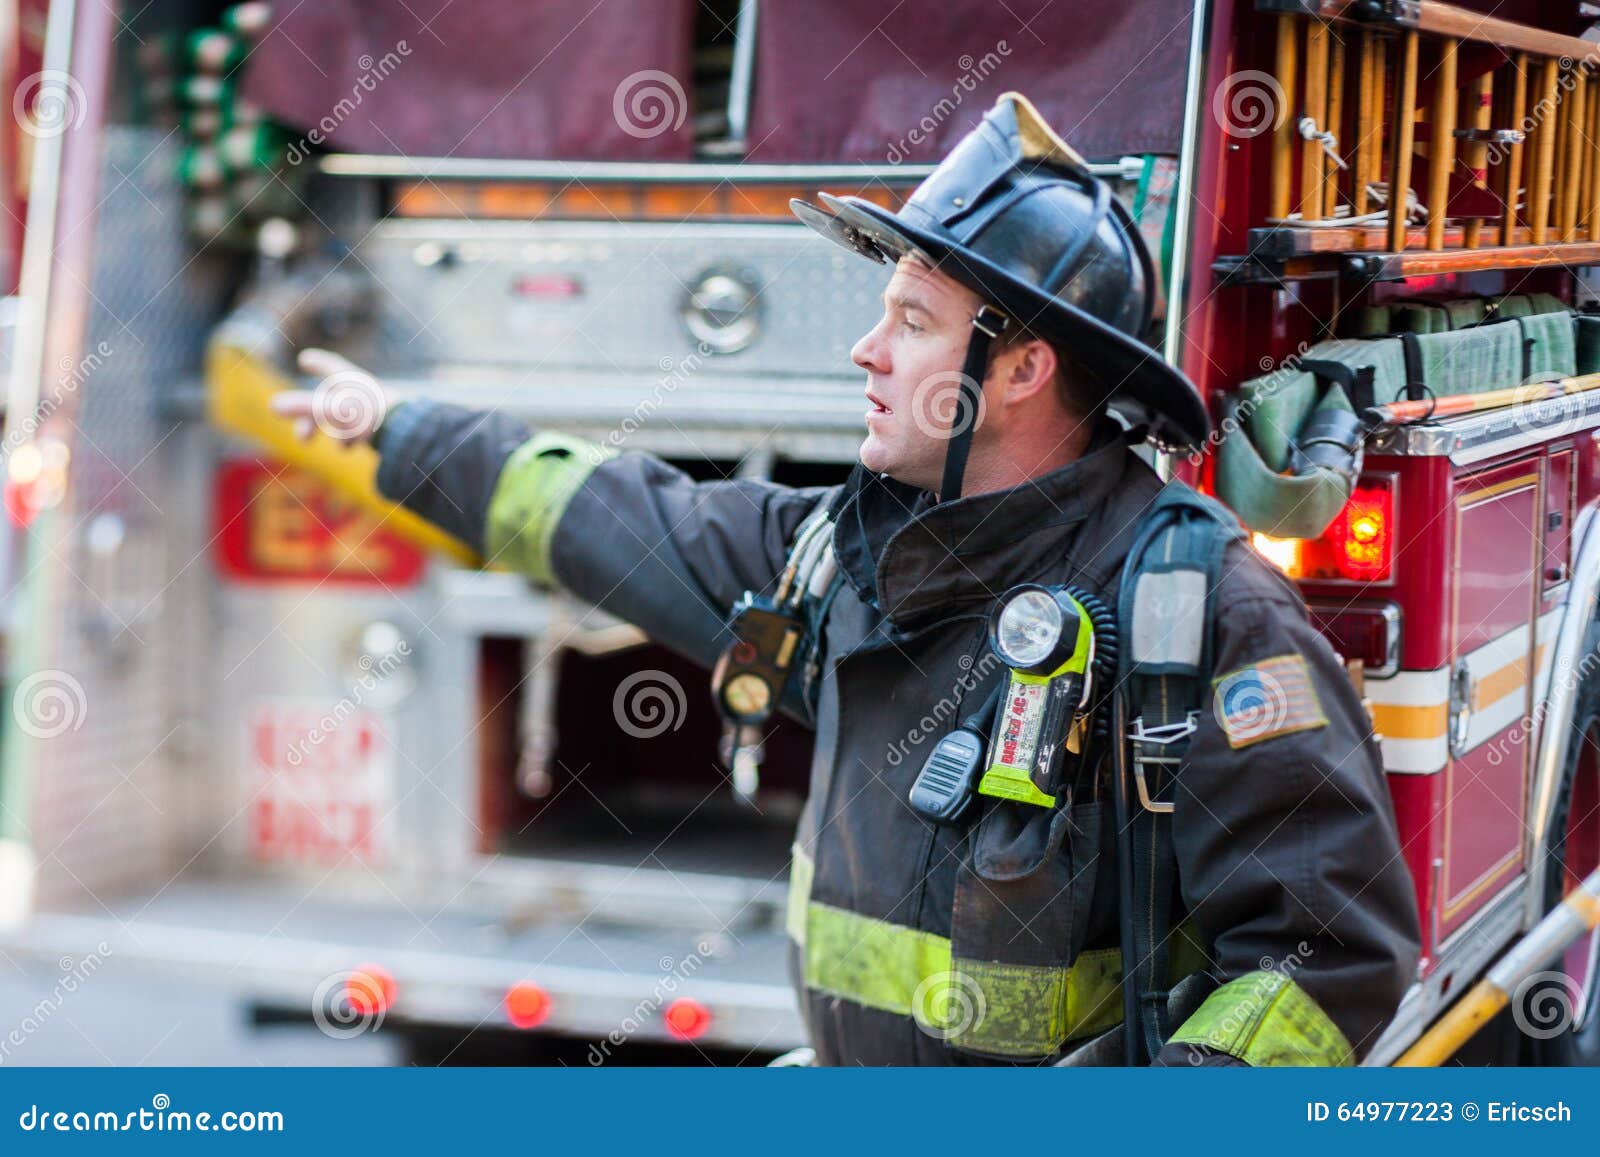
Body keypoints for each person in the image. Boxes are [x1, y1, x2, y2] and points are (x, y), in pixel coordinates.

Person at [276, 93, 1421, 1066]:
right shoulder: (845, 560)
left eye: (911, 322)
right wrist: (398, 430)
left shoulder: (1194, 609)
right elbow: (626, 518)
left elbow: (1331, 954)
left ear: (1019, 368)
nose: (865, 350)